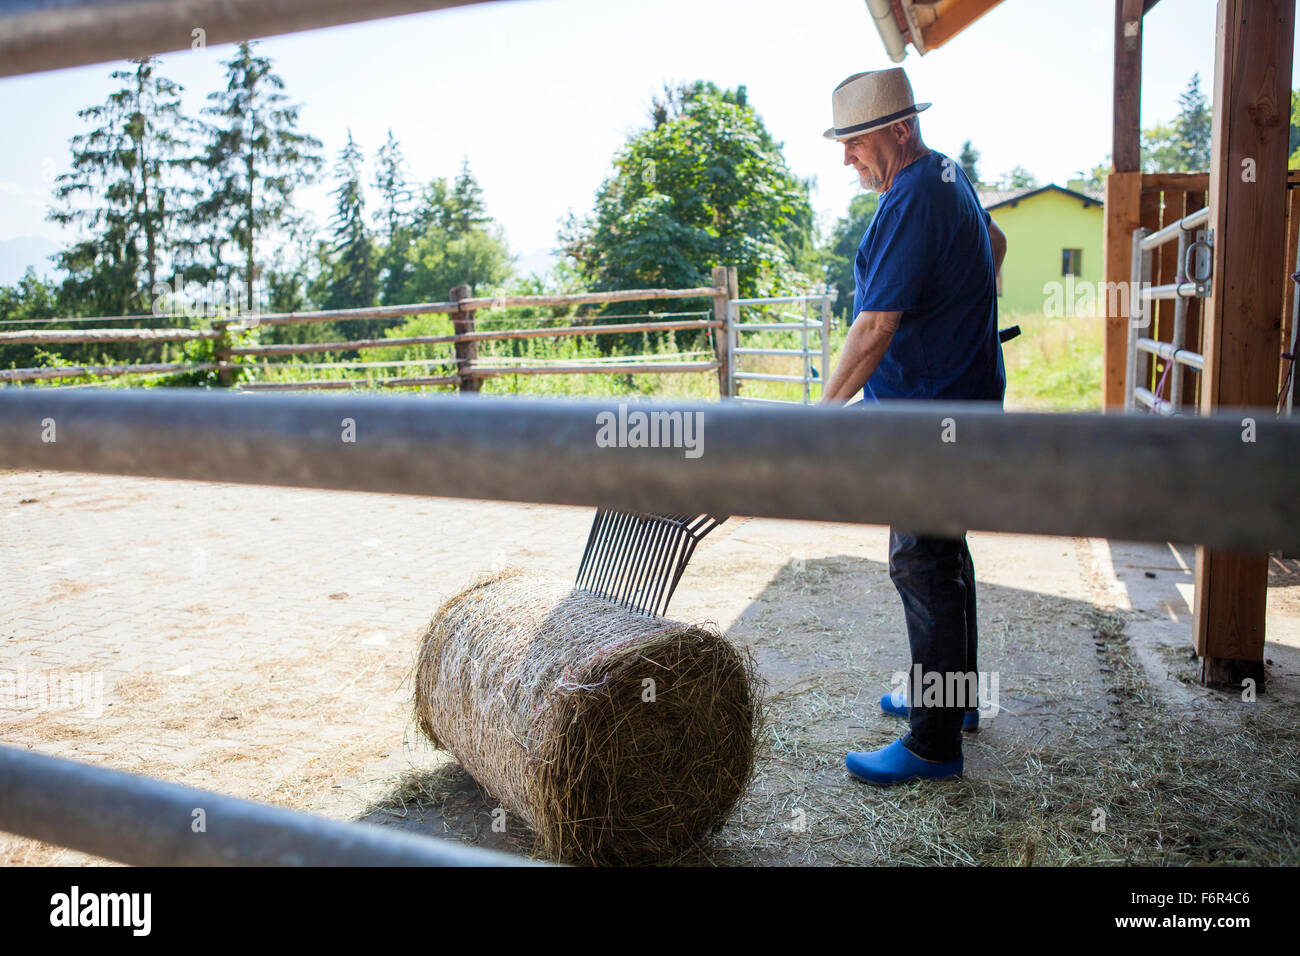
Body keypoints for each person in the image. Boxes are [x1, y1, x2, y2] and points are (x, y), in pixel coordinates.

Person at [817, 67, 1007, 786]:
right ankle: (952, 705)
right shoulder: (950, 177)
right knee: (945, 557)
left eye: (856, 141)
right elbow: (995, 246)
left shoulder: (911, 197)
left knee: (922, 563)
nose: (846, 158)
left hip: (928, 420)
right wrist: (968, 311)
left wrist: (821, 417)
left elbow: (873, 325)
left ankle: (932, 746)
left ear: (900, 128)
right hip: (959, 404)